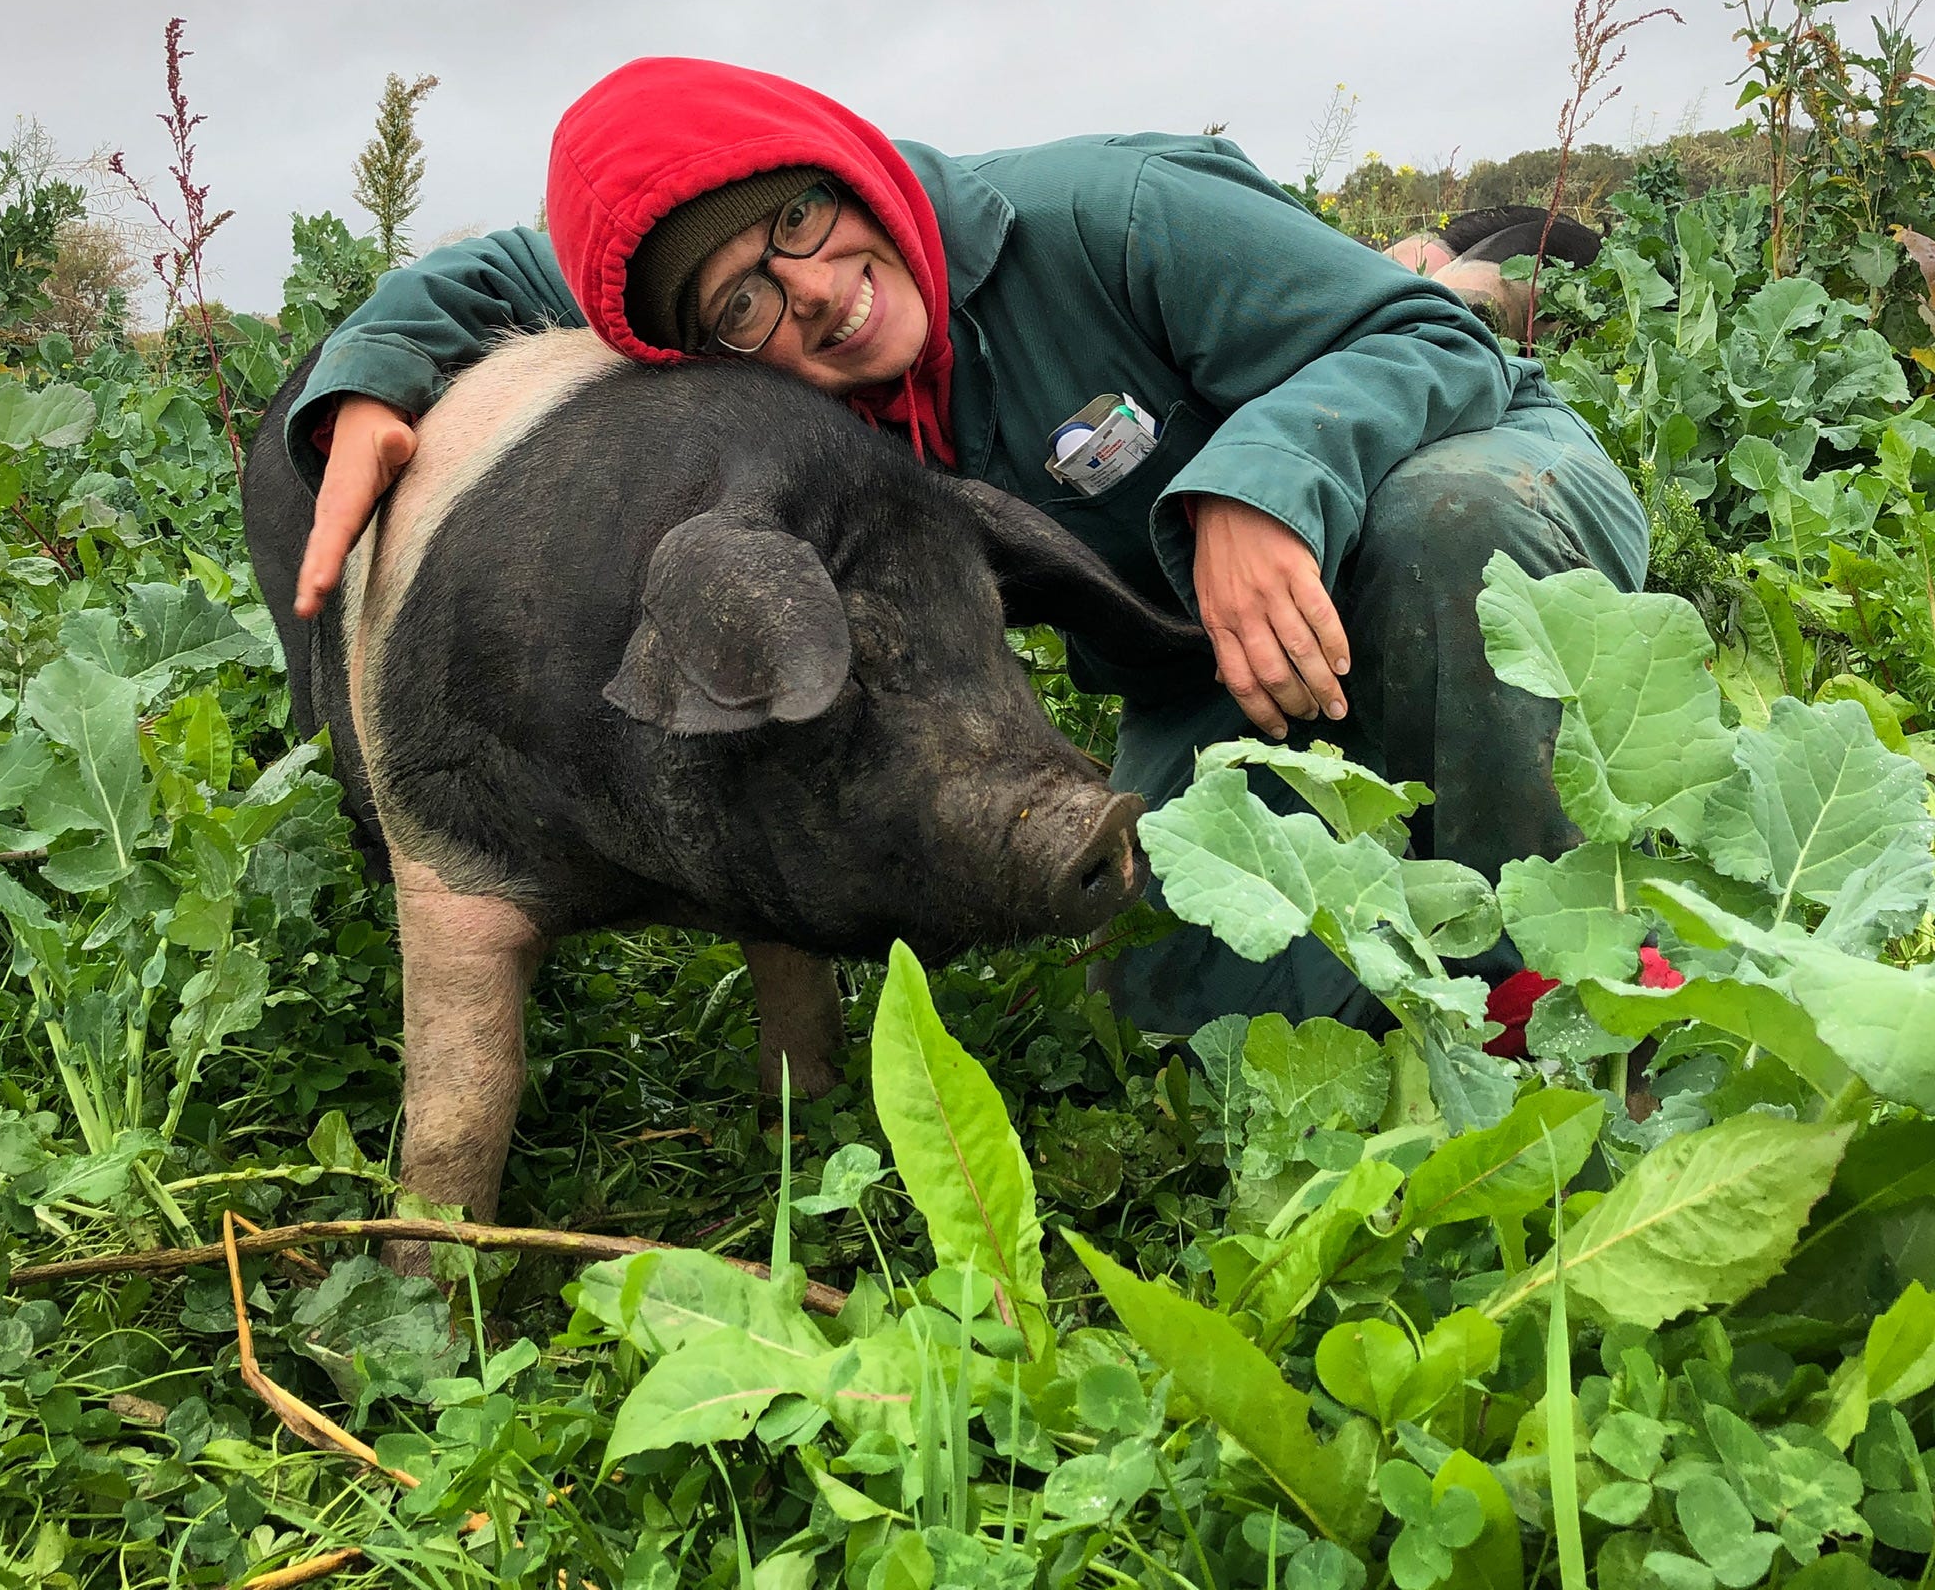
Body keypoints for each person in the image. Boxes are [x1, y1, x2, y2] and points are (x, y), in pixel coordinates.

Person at [281, 56, 1648, 1035]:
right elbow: (505, 275)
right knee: (1186, 1012)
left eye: (799, 222)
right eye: (742, 303)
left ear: (833, 163)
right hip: (1208, 662)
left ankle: (1579, 983)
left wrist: (1265, 482)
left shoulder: (1116, 215)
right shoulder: (807, 367)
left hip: (1463, 485)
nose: (809, 293)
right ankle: (1407, 934)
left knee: (1439, 531)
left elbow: (1429, 337)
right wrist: (368, 378)